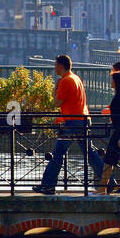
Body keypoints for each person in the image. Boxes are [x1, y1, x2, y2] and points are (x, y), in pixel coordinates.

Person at [33, 54, 105, 195]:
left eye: (55, 65)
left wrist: (55, 89)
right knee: (90, 153)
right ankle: (109, 181)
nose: (54, 68)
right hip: (83, 119)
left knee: (58, 153)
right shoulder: (76, 78)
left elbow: (57, 102)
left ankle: (48, 185)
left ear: (60, 65)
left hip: (72, 122)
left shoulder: (65, 81)